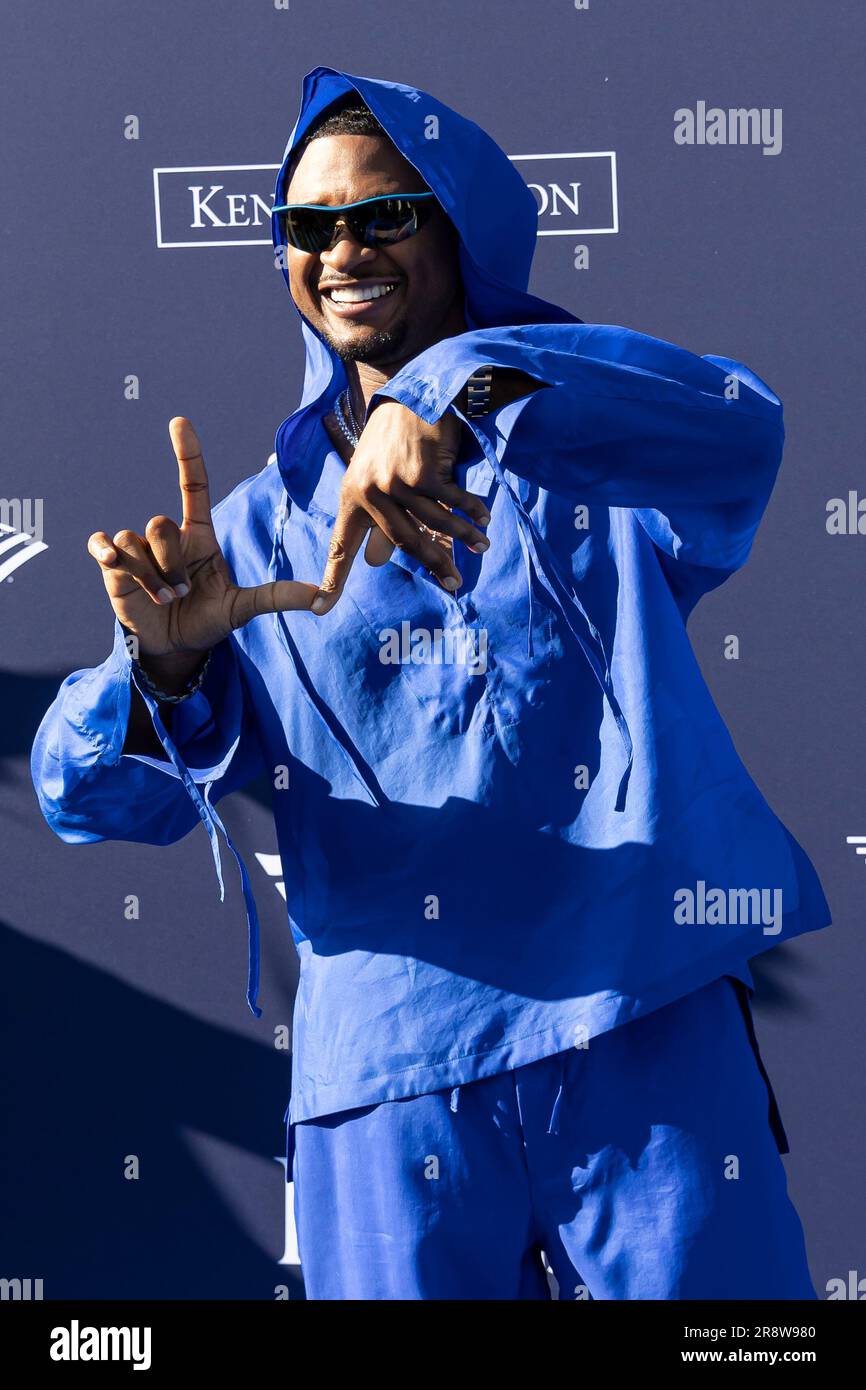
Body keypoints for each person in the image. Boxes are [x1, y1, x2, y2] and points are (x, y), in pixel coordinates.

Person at [32, 66, 831, 1300]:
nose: (341, 249)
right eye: (307, 227)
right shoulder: (243, 537)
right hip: (385, 1088)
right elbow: (83, 800)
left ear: (458, 226)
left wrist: (459, 390)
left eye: (381, 215)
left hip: (645, 1037)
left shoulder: (585, 435)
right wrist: (169, 657)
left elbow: (739, 433)